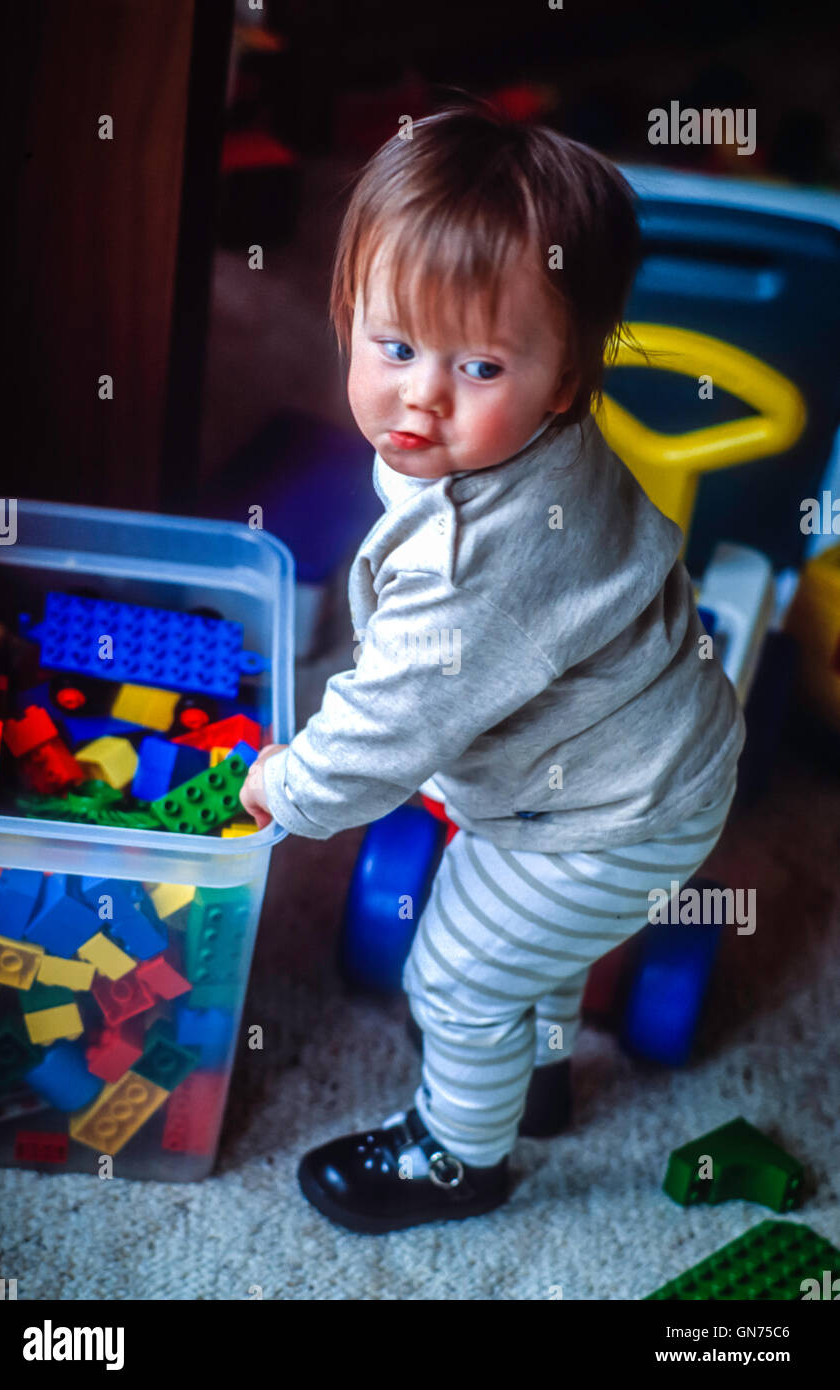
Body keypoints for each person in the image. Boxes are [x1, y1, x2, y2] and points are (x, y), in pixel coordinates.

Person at [239, 98, 745, 1234]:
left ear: (568, 380)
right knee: (531, 945)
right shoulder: (517, 436)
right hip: (643, 750)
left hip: (611, 808)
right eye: (395, 345)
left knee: (458, 972)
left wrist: (293, 784)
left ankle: (459, 1158)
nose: (419, 394)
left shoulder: (480, 562)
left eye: (477, 364)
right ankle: (542, 1074)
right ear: (348, 314)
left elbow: (391, 721)